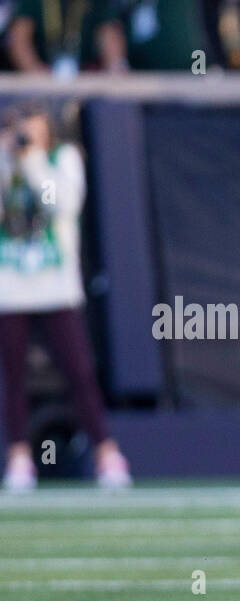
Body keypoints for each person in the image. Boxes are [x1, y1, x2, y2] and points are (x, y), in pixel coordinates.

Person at [0, 102, 130, 490]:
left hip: (56, 287)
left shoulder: (63, 158)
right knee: (12, 378)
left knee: (79, 372)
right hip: (11, 289)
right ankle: (19, 457)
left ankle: (107, 453)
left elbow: (61, 206)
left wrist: (34, 160)